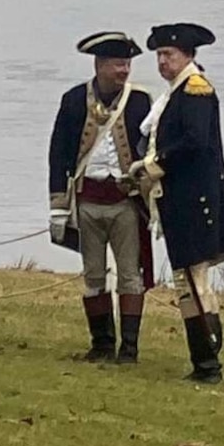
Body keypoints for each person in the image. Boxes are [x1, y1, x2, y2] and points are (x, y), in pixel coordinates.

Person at [128, 23, 224, 383]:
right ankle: (204, 358)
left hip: (195, 199)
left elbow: (194, 142)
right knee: (186, 280)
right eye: (159, 55)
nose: (162, 62)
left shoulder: (195, 90)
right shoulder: (177, 91)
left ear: (188, 56)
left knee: (192, 280)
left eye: (169, 55)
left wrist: (151, 166)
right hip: (180, 199)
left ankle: (208, 363)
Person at [48, 31, 155, 362]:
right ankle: (102, 344)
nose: (124, 71)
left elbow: (152, 151)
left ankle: (130, 349)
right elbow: (59, 154)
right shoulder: (73, 99)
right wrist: (57, 208)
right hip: (87, 201)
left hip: (125, 203)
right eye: (117, 64)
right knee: (93, 275)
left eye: (127, 64)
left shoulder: (140, 102)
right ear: (99, 65)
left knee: (130, 276)